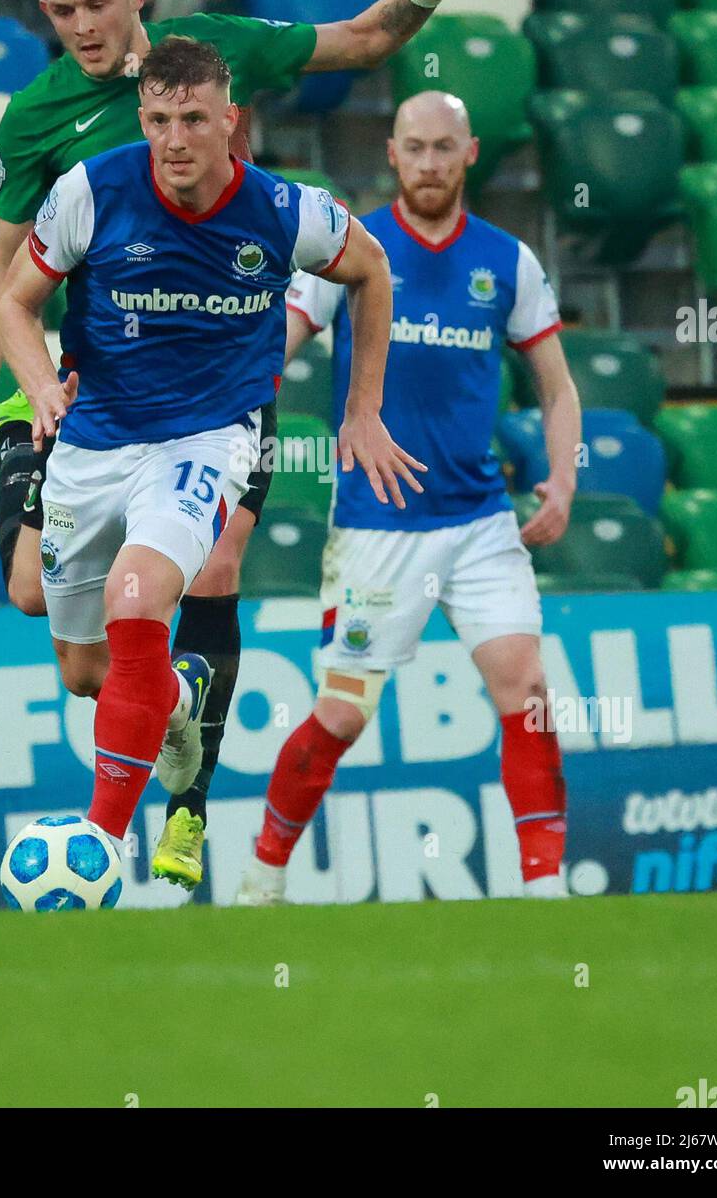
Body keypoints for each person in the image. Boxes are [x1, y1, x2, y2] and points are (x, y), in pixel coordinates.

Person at [0, 0, 502, 872]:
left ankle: (181, 811)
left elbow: (362, 38)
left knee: (200, 571)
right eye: (62, 10)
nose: (82, 25)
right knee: (53, 620)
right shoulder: (38, 120)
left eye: (98, 3)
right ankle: (175, 707)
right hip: (98, 389)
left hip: (224, 390)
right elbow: (2, 273)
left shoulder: (220, 56)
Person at [0, 36, 425, 885]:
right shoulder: (91, 191)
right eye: (159, 120)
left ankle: (100, 846)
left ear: (230, 120)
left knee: (137, 596)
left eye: (195, 119)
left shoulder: (282, 210)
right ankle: (179, 689)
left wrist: (363, 407)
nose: (175, 139)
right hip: (93, 442)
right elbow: (15, 301)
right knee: (87, 674)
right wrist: (40, 385)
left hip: (204, 441)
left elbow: (372, 271)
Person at [236, 90, 581, 906]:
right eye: (414, 148)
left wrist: (564, 479)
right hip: (374, 525)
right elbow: (274, 347)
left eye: (443, 148)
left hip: (481, 520)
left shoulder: (508, 263)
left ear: (469, 155)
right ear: (391, 155)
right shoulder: (353, 250)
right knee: (344, 716)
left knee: (525, 693)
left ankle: (545, 889)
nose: (429, 163)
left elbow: (559, 388)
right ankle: (263, 872)